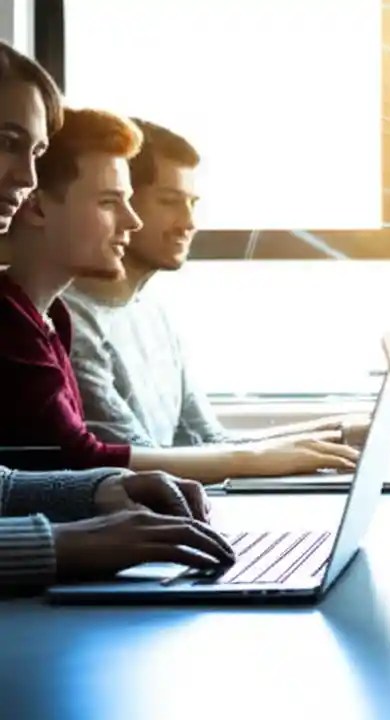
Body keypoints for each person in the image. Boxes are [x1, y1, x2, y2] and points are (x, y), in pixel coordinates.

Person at [0, 107, 358, 483]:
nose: (131, 221)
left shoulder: (56, 318)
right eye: (109, 202)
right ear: (36, 206)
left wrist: (341, 433)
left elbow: (203, 441)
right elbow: (86, 460)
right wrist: (249, 460)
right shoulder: (26, 323)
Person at [0, 41, 233, 587]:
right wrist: (60, 544)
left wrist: (99, 489)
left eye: (34, 154)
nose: (26, 180)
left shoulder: (52, 316)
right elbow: (72, 450)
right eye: (8, 144)